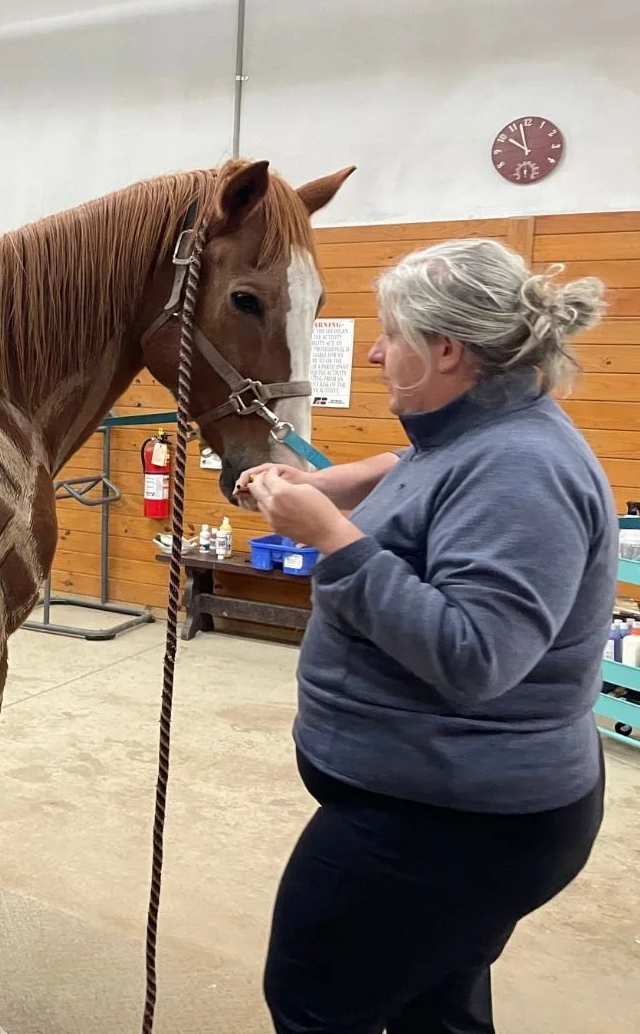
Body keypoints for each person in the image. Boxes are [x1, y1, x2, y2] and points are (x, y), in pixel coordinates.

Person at [234, 237, 614, 1034]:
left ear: (447, 349)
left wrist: (333, 534)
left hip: (449, 822)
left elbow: (476, 655)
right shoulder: (482, 433)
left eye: (390, 335)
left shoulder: (521, 468)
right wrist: (359, 475)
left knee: (314, 1000)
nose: (373, 352)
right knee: (432, 1005)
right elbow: (440, 464)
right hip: (448, 806)